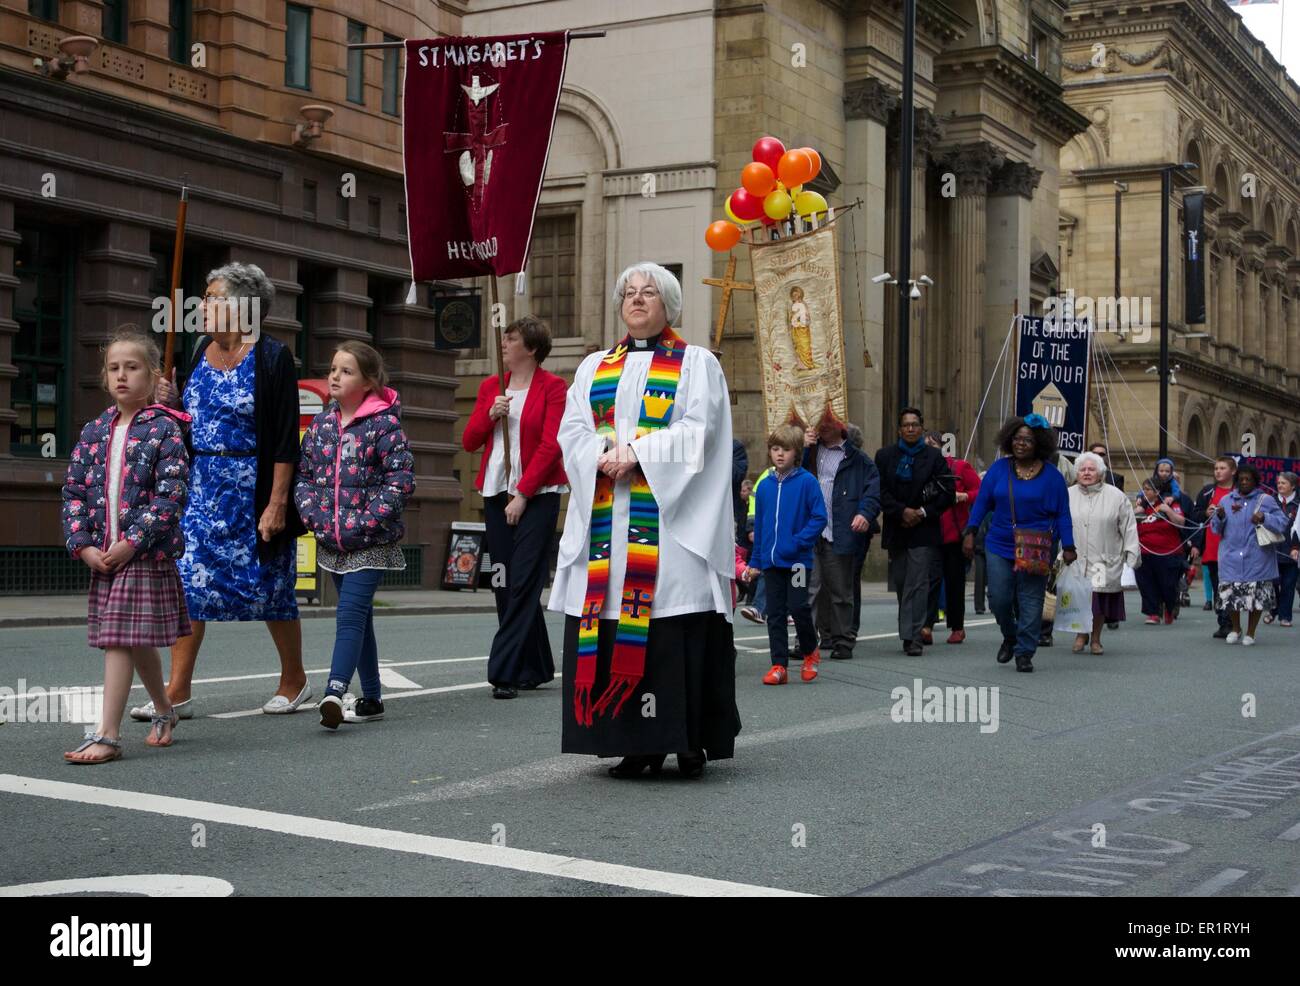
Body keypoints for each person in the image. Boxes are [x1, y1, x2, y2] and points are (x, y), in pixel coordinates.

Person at [551, 262, 740, 779]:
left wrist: (638, 452)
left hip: (671, 520)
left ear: (669, 305)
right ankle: (636, 743)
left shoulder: (696, 363)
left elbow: (701, 429)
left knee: (674, 623)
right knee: (617, 621)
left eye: (649, 293)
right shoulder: (593, 367)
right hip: (609, 523)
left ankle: (689, 741)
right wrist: (598, 454)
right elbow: (571, 430)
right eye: (629, 293)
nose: (636, 300)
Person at [136, 262, 309, 721]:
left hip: (251, 489)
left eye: (213, 297)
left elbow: (285, 440)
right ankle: (178, 689)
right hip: (200, 490)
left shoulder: (272, 358)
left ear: (244, 306)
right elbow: (190, 420)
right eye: (206, 297)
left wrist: (276, 504)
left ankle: (294, 679)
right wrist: (171, 402)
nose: (204, 305)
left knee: (270, 589)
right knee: (188, 586)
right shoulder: (198, 352)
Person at [62, 328, 192, 763]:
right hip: (105, 554)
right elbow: (74, 492)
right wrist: (83, 546)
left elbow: (171, 495)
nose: (122, 376)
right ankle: (163, 710)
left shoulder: (165, 430)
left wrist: (133, 542)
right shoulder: (94, 431)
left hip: (145, 553)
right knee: (135, 640)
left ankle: (107, 734)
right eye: (114, 368)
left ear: (153, 374)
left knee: (118, 635)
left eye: (132, 367)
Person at [297, 342, 414, 728]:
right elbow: (305, 478)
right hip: (332, 541)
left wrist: (364, 521)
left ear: (367, 382)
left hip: (372, 540)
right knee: (360, 618)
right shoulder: (321, 425)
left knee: (348, 615)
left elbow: (400, 482)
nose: (334, 376)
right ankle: (374, 698)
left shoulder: (384, 425)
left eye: (345, 371)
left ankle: (334, 690)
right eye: (333, 369)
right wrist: (314, 517)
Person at [462, 316, 569, 699]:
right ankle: (537, 664)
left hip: (537, 495)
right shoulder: (492, 386)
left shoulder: (555, 388)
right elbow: (470, 441)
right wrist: (490, 414)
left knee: (523, 580)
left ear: (532, 348)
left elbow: (552, 444)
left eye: (512, 339)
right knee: (504, 581)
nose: (504, 344)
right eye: (504, 338)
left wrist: (523, 493)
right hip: (495, 492)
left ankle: (503, 670)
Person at [962, 414, 1076, 672]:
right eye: (1017, 438)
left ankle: (1025, 652)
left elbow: (1063, 514)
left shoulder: (1053, 477)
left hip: (1036, 545)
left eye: (1028, 440)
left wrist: (1068, 545)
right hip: (1000, 543)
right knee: (999, 598)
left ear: (1039, 444)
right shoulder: (999, 469)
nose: (1021, 444)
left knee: (1031, 600)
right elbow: (982, 502)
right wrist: (970, 530)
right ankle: (1010, 636)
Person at [745, 424, 827, 684]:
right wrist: (756, 561)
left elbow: (819, 517)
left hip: (798, 561)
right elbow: (759, 525)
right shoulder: (766, 486)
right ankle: (778, 665)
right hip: (771, 561)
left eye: (786, 449)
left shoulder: (807, 482)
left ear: (797, 452)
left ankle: (810, 652)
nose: (780, 454)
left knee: (799, 607)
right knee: (776, 613)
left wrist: (798, 542)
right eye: (775, 448)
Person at [804, 407, 881, 660]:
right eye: (820, 421)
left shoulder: (859, 460)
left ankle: (843, 641)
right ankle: (804, 641)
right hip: (808, 534)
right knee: (807, 589)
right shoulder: (810, 452)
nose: (822, 426)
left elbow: (873, 492)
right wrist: (803, 448)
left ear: (840, 424)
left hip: (840, 533)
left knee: (840, 591)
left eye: (828, 421)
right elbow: (787, 472)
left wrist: (864, 514)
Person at [875, 410, 954, 656]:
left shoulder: (934, 457)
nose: (910, 429)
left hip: (924, 529)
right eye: (906, 425)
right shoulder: (885, 456)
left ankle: (914, 637)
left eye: (915, 425)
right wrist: (902, 512)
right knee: (902, 583)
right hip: (897, 527)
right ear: (899, 429)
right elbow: (879, 490)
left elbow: (947, 493)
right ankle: (907, 630)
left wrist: (921, 512)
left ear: (922, 427)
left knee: (919, 583)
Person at [1209, 464, 1290, 645]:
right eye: (1242, 479)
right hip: (1231, 557)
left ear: (1255, 481)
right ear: (1237, 481)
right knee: (1231, 596)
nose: (1245, 482)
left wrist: (1264, 518)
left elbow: (1283, 523)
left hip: (1257, 557)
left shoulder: (1266, 500)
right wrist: (1219, 517)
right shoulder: (1226, 500)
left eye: (1249, 479)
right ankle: (1236, 629)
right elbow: (1215, 529)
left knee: (1257, 598)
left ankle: (1251, 632)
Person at [1066, 452, 1139, 654]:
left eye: (1091, 469)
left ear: (1100, 473)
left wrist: (1132, 552)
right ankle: (1080, 634)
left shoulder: (1116, 496)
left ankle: (1096, 638)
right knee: (1079, 598)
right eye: (1082, 469)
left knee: (1098, 599)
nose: (1087, 473)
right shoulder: (1067, 494)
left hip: (1104, 557)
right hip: (1075, 557)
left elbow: (1129, 526)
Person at [923, 430, 980, 644]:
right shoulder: (922, 470)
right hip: (929, 532)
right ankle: (926, 625)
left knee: (955, 582)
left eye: (933, 445)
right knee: (931, 580)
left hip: (955, 534)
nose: (929, 450)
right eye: (925, 445)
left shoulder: (959, 467)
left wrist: (964, 496)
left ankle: (957, 626)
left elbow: (980, 491)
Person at [1189, 456, 1237, 639]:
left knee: (1233, 586)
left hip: (1233, 547)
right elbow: (1194, 515)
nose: (1218, 471)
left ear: (1232, 471)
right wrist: (1205, 513)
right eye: (1216, 468)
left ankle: (1234, 622)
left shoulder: (1239, 491)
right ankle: (1224, 622)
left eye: (1222, 468)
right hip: (1212, 546)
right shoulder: (1208, 492)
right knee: (1218, 586)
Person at [1133, 479, 1186, 625]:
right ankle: (1152, 612)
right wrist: (1134, 513)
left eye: (1148, 489)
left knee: (1167, 584)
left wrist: (1168, 511)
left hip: (1168, 552)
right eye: (1143, 489)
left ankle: (1169, 608)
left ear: (1157, 492)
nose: (1144, 492)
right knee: (1146, 583)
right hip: (1144, 551)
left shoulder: (1170, 504)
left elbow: (1181, 522)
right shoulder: (1142, 508)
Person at [1265, 471, 1299, 627]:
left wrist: (1295, 547)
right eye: (1278, 483)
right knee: (1272, 583)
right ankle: (1272, 610)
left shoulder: (1298, 505)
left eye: (1283, 483)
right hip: (1272, 549)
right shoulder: (1271, 502)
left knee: (1288, 584)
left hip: (1292, 550)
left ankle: (1285, 616)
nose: (1280, 485)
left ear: (1292, 486)